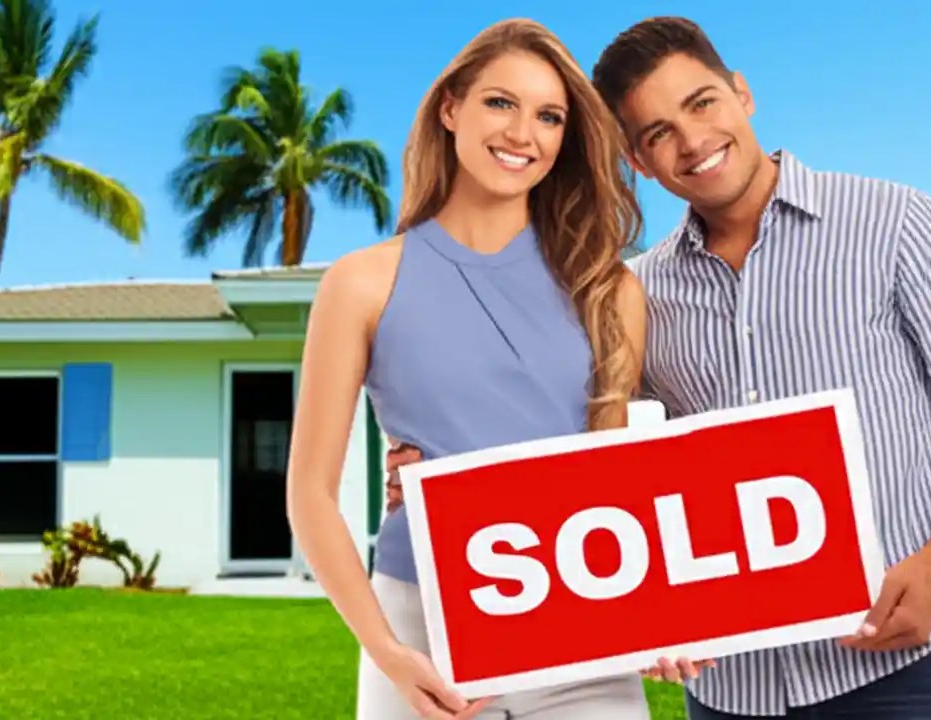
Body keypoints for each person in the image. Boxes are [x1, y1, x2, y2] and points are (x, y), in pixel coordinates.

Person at [387, 14, 931, 720]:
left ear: (742, 93)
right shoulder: (639, 295)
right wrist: (433, 466)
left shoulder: (895, 224)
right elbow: (569, 444)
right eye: (657, 134)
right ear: (638, 164)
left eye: (702, 103)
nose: (693, 141)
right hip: (727, 691)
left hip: (898, 666)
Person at [286, 17, 703, 720]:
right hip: (421, 631)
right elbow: (309, 494)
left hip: (584, 633)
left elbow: (617, 476)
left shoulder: (610, 291)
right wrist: (389, 652)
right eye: (499, 103)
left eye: (548, 116)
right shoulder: (361, 285)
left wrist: (660, 608)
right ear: (450, 108)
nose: (522, 134)